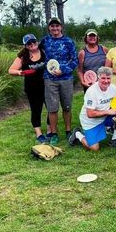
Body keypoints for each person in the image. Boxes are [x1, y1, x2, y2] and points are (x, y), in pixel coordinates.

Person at [40, 17, 78, 146]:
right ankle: (54, 133)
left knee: (67, 107)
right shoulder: (45, 41)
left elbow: (74, 60)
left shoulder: (68, 41)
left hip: (66, 79)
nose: (55, 28)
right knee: (52, 108)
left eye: (57, 26)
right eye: (52, 26)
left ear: (61, 27)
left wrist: (64, 70)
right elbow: (34, 52)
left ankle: (68, 131)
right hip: (49, 79)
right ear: (49, 28)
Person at [68, 66, 116, 151]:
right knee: (94, 148)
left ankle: (114, 139)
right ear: (98, 77)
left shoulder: (113, 88)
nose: (106, 81)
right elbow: (90, 114)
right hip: (90, 122)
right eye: (103, 78)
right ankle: (77, 134)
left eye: (108, 78)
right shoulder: (91, 91)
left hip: (104, 117)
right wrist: (108, 112)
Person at [8, 33, 47, 143]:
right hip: (32, 88)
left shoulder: (44, 51)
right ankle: (39, 133)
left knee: (51, 108)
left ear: (37, 42)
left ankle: (50, 131)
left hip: (47, 86)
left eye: (33, 41)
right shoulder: (23, 56)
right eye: (29, 43)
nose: (32, 44)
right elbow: (11, 70)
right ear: (25, 45)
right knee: (36, 109)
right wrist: (20, 72)